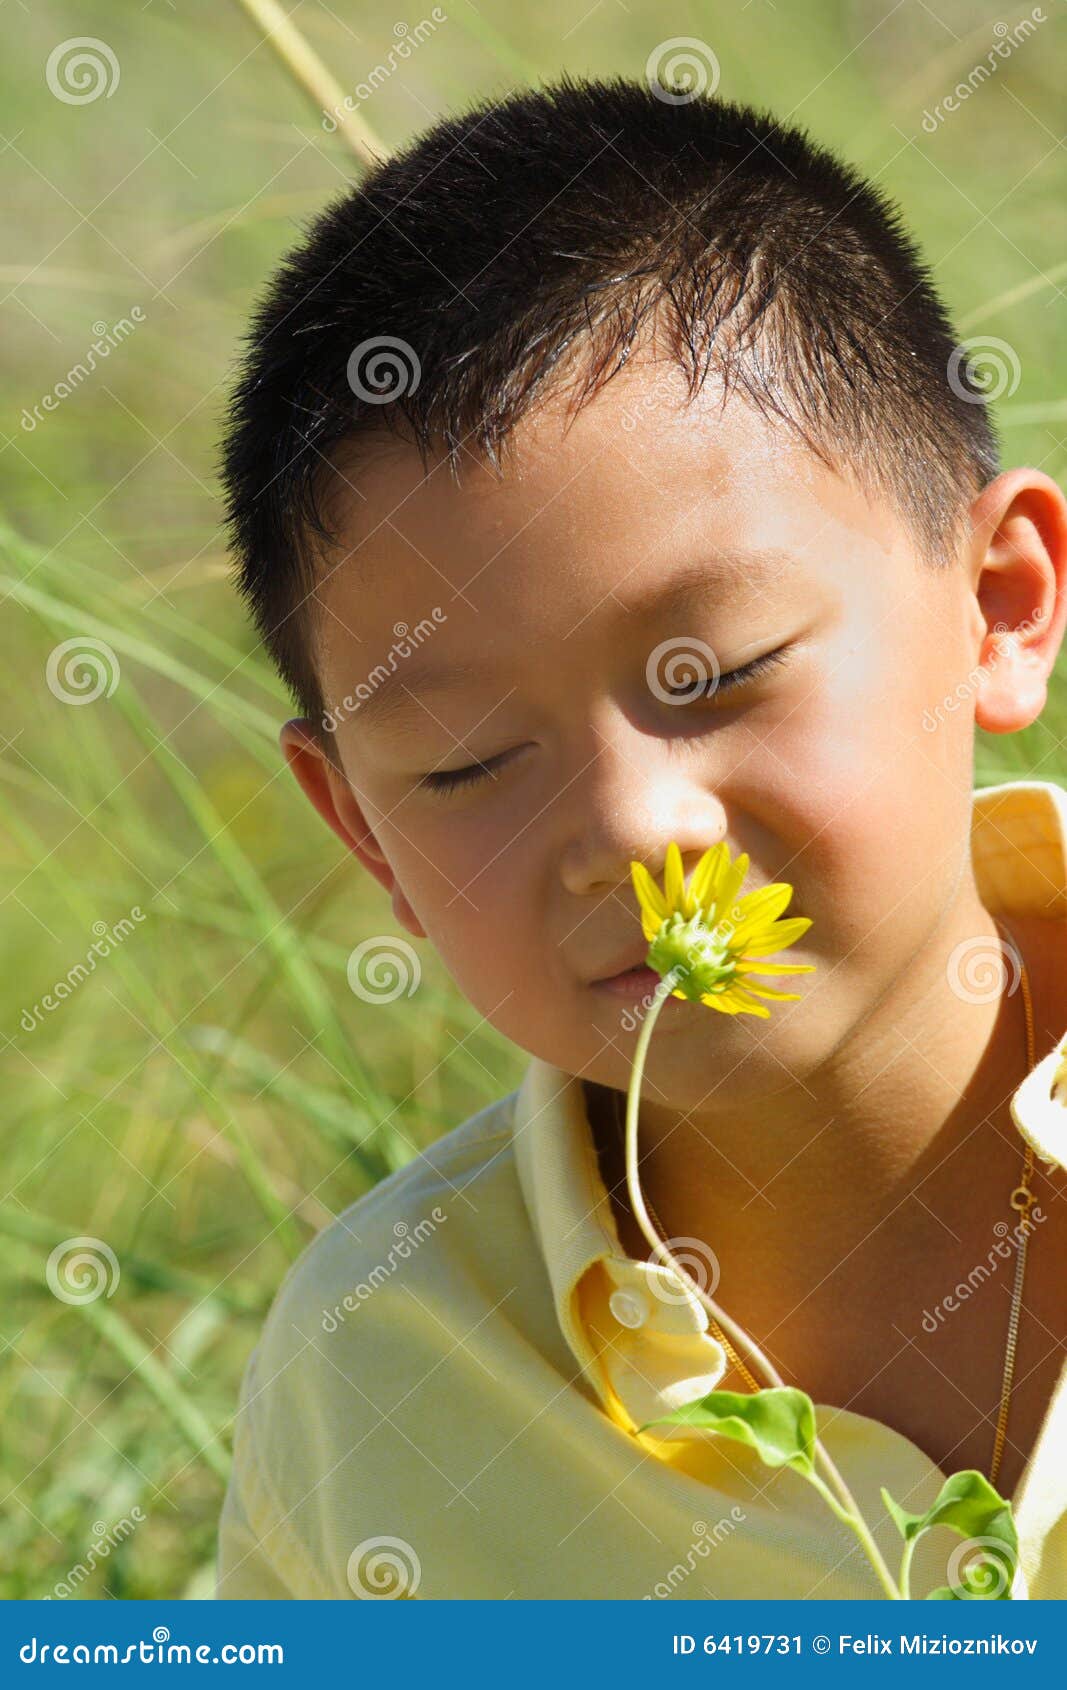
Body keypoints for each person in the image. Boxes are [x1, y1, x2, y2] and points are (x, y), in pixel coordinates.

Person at [213, 75, 1067, 1599]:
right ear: (362, 834)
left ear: (1000, 604)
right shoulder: (381, 1381)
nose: (631, 828)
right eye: (469, 763)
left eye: (719, 675)